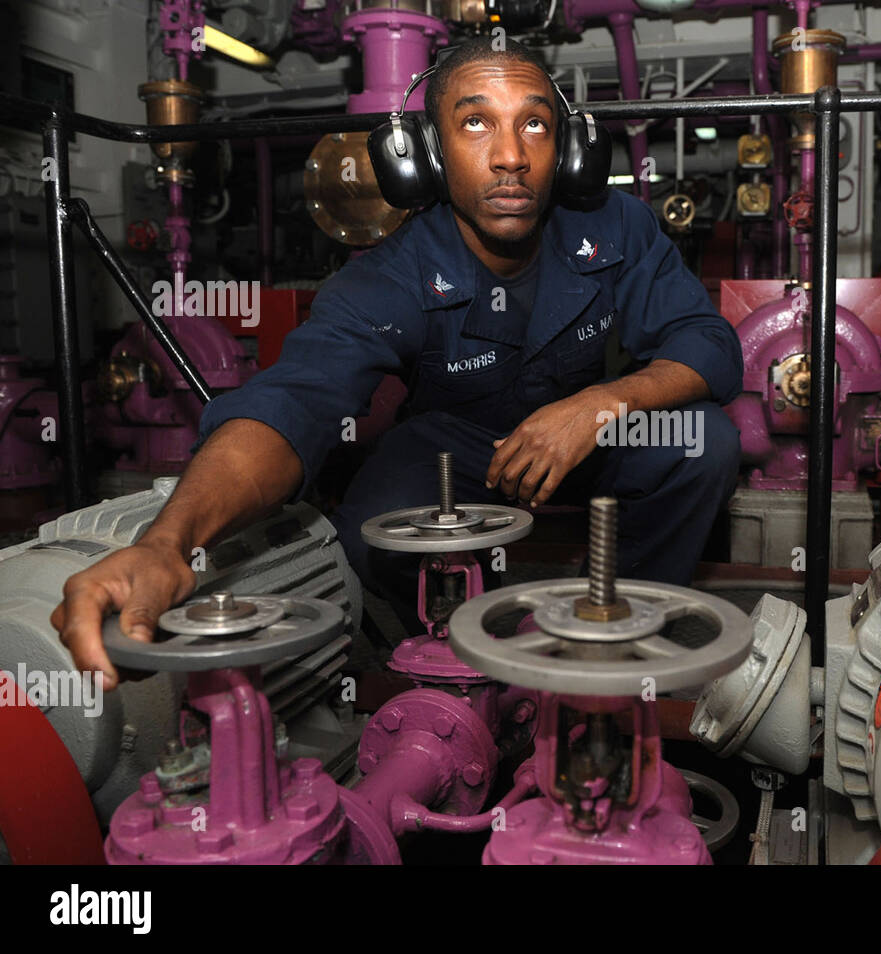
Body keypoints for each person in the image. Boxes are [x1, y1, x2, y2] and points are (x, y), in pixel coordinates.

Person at [52, 36, 743, 689]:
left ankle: (622, 632)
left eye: (534, 126)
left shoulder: (616, 225)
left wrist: (602, 406)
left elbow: (708, 343)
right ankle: (474, 657)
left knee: (703, 441)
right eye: (476, 125)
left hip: (586, 433)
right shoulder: (388, 276)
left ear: (565, 150)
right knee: (368, 525)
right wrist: (168, 543)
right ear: (429, 156)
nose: (511, 156)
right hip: (454, 449)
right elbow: (293, 404)